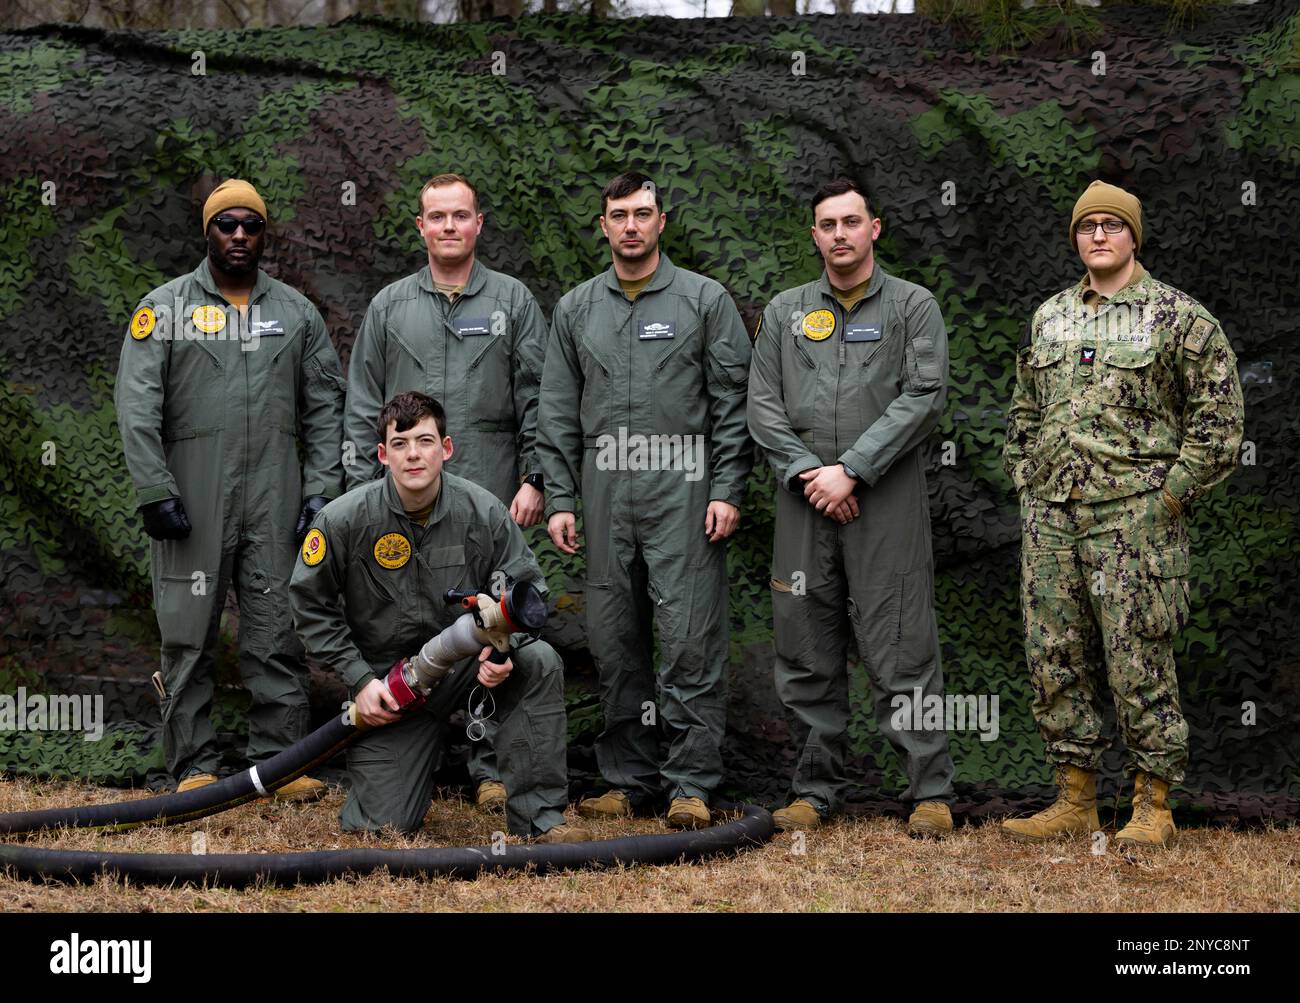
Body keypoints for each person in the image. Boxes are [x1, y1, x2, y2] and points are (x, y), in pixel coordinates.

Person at [1002, 180, 1244, 848]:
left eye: (1113, 225)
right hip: (1052, 515)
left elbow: (1220, 420)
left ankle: (1152, 801)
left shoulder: (1179, 319)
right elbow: (1025, 404)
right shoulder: (1051, 316)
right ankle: (1075, 796)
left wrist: (1170, 494)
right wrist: (1025, 472)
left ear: (1134, 236)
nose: (1099, 236)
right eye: (1088, 226)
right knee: (1053, 651)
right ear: (1076, 237)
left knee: (1137, 655)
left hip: (1133, 519)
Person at [115, 179, 345, 799]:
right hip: (193, 494)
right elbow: (137, 405)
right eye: (226, 225)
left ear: (264, 233)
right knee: (188, 632)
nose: (239, 235)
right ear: (208, 231)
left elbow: (326, 408)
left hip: (276, 492)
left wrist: (320, 490)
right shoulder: (163, 309)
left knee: (276, 629)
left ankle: (280, 763)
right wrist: (154, 489)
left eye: (251, 225)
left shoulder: (296, 314)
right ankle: (193, 763)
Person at [537, 171, 752, 830]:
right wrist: (561, 497)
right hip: (603, 494)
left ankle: (690, 781)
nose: (631, 225)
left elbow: (734, 404)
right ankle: (626, 776)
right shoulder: (576, 309)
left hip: (682, 492)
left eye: (643, 213)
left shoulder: (703, 301)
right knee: (613, 641)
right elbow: (557, 411)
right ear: (602, 225)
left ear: (662, 221)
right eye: (618, 215)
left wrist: (726, 488)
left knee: (689, 639)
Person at [746, 178, 957, 838]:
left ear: (875, 228)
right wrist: (813, 475)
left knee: (903, 646)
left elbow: (924, 396)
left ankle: (929, 790)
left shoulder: (912, 307)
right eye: (826, 224)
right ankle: (813, 789)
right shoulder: (784, 312)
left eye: (850, 221)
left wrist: (854, 471)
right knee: (805, 646)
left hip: (886, 498)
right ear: (814, 236)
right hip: (803, 502)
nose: (839, 233)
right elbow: (762, 405)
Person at [288, 391, 587, 843]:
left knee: (539, 659)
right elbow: (309, 605)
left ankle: (541, 818)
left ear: (445, 449)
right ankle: (402, 778)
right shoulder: (344, 520)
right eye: (401, 442)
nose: (414, 454)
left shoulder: (481, 510)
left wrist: (500, 650)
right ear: (383, 454)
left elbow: (528, 590)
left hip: (466, 668)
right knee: (380, 830)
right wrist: (361, 682)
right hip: (393, 688)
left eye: (425, 441)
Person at [343, 174, 548, 813]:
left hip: (491, 487)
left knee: (495, 623)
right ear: (421, 227)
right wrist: (361, 491)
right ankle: (417, 751)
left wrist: (535, 478)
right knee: (415, 618)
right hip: (404, 498)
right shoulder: (389, 307)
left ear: (479, 224)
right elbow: (362, 405)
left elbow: (539, 398)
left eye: (461, 215)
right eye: (438, 217)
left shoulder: (513, 301)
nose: (450, 227)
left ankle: (490, 765)